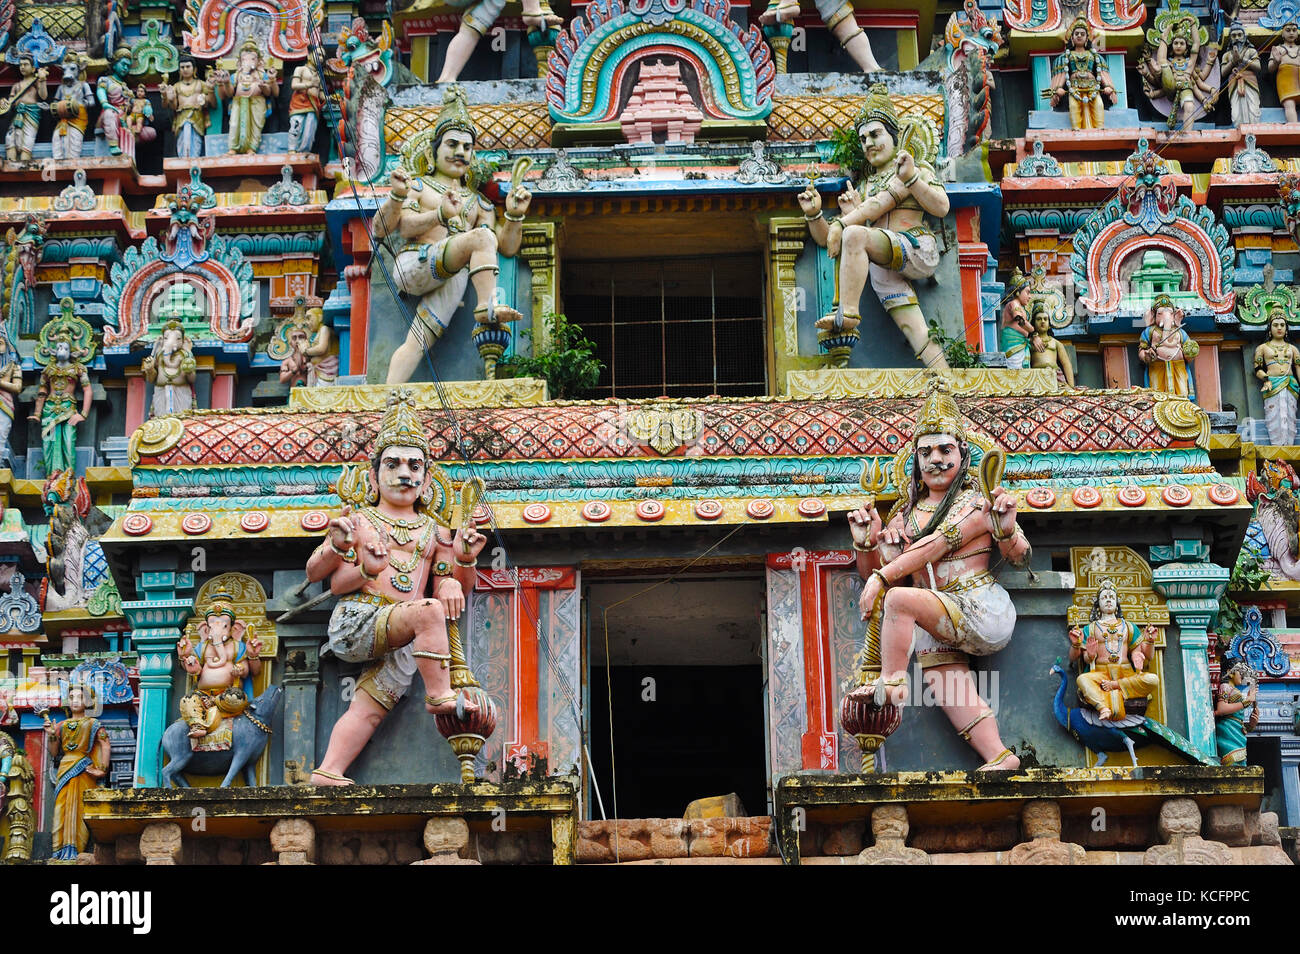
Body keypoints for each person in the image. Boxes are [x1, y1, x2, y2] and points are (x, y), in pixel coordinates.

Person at [842, 382, 1030, 770]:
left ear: (963, 452)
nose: (935, 459)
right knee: (944, 682)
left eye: (945, 449)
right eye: (925, 452)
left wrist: (1007, 528)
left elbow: (1015, 556)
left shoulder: (978, 503)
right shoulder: (904, 515)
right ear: (915, 459)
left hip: (978, 605)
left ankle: (893, 683)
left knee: (899, 600)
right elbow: (876, 581)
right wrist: (867, 547)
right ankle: (999, 756)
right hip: (936, 614)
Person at [306, 391, 488, 785]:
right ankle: (439, 694)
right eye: (393, 464)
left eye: (414, 465)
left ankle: (328, 771)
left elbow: (450, 586)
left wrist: (464, 562)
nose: (405, 473)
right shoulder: (360, 521)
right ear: (373, 477)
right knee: (428, 612)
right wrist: (344, 549)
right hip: (359, 621)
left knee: (370, 706)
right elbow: (323, 576)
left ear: (426, 479)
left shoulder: (435, 530)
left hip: (406, 636)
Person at [373, 86, 529, 384]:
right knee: (481, 238)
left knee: (417, 340)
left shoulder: (478, 202)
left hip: (452, 276)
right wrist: (438, 214)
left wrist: (514, 215)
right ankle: (486, 306)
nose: (460, 152)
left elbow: (505, 247)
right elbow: (400, 226)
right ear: (435, 150)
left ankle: (388, 397)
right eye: (452, 144)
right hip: (415, 264)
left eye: (467, 147)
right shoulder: (420, 186)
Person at [796, 84, 950, 369]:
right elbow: (830, 240)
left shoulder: (912, 169)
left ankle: (849, 312)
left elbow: (940, 206)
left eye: (876, 134)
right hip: (885, 262)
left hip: (915, 247)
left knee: (854, 232)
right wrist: (815, 215)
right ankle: (946, 381)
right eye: (863, 138)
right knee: (913, 329)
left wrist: (913, 179)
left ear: (894, 136)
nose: (868, 143)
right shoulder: (866, 186)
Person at [1067, 579, 1159, 721]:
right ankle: (1103, 706)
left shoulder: (1128, 627)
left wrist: (1149, 642)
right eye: (1104, 597)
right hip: (1101, 674)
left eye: (1112, 597)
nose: (1108, 600)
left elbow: (1147, 655)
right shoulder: (1090, 628)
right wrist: (1088, 654)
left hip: (1125, 674)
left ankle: (1115, 687)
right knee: (1082, 680)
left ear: (1117, 603)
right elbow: (1076, 658)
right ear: (1098, 604)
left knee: (1153, 679)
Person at [176, 594, 262, 741]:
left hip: (227, 695)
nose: (216, 631)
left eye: (223, 626)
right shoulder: (203, 647)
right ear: (206, 629)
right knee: (187, 700)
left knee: (236, 698)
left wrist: (243, 666)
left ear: (234, 629)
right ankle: (198, 725)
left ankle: (214, 704)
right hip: (203, 695)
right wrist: (187, 660)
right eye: (212, 626)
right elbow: (194, 668)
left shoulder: (237, 646)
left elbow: (251, 671)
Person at [43, 684, 110, 860]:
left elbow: (104, 744)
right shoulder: (62, 725)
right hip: (65, 768)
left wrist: (101, 770)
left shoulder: (93, 723)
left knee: (79, 809)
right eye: (71, 697)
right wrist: (51, 735)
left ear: (87, 701)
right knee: (61, 809)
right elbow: (55, 752)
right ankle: (58, 852)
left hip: (83, 769)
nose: (74, 701)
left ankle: (75, 852)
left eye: (79, 697)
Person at [1049, 18, 1117, 130]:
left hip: (1092, 87)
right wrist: (1058, 89)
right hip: (1074, 88)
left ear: (1087, 38)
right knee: (1074, 107)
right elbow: (1061, 74)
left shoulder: (1094, 56)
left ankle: (1099, 131)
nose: (1079, 36)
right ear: (1072, 38)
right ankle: (1076, 132)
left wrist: (1109, 87)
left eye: (1082, 34)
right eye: (1076, 34)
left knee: (1099, 105)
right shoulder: (1066, 56)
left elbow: (1102, 73)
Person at [215, 40, 279, 154]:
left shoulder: (261, 75)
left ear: (259, 61)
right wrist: (225, 82)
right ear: (240, 62)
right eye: (245, 59)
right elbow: (229, 94)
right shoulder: (236, 75)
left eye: (252, 59)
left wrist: (265, 85)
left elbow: (271, 93)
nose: (248, 62)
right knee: (234, 124)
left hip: (257, 103)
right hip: (238, 103)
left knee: (256, 125)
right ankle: (233, 148)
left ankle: (252, 148)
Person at [1138, 294, 1198, 397]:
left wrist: (1190, 354)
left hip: (1179, 366)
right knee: (1157, 394)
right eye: (1160, 313)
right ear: (1153, 316)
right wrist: (1147, 355)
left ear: (1175, 316)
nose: (1166, 316)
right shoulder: (1150, 332)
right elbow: (1141, 350)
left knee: (1182, 393)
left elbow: (1188, 348)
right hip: (1157, 366)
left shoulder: (1180, 332)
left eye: (1170, 313)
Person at [1254, 309, 1300, 445]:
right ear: (1270, 328)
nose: (1279, 328)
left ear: (1286, 328)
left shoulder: (1293, 349)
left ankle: (1289, 445)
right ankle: (1276, 446)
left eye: (1282, 325)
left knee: (1290, 416)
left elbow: (1298, 368)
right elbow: (1257, 369)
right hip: (1272, 385)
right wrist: (1266, 379)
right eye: (1275, 325)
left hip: (1291, 385)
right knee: (1273, 416)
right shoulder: (1262, 348)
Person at [160, 57, 215, 158]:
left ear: (194, 69)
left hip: (197, 117)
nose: (185, 69)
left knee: (196, 142)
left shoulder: (201, 84)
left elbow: (213, 104)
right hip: (181, 117)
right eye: (182, 67)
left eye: (188, 66)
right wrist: (166, 97)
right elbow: (171, 107)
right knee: (182, 142)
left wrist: (209, 92)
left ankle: (194, 161)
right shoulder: (176, 86)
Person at [2, 55, 48, 162]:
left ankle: (24, 162)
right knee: (9, 139)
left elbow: (44, 96)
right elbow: (11, 102)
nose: (22, 67)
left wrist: (42, 79)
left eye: (25, 64)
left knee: (27, 140)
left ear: (33, 68)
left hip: (31, 115)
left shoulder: (36, 82)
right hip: (17, 115)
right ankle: (11, 162)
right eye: (21, 65)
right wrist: (4, 103)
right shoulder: (16, 85)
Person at [1214, 662, 1256, 766]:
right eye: (1240, 672)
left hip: (1236, 730)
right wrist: (1246, 701)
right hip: (1227, 728)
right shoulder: (1225, 687)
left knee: (1240, 763)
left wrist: (1251, 724)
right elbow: (1221, 709)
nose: (1242, 675)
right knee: (1232, 762)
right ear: (1230, 672)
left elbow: (1237, 719)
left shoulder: (1234, 690)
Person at [1221, 21, 1262, 125]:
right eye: (1234, 35)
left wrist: (1243, 60)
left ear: (1244, 36)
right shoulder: (1226, 55)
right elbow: (1223, 72)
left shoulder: (1251, 51)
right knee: (1236, 112)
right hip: (1234, 82)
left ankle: (1253, 128)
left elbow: (1258, 67)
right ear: (1230, 38)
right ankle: (1239, 127)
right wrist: (1233, 62)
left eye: (1240, 35)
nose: (1237, 38)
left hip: (1250, 81)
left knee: (1253, 108)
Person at [999, 268, 1041, 369]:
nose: (1030, 296)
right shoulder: (1013, 304)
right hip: (1013, 347)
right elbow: (1019, 319)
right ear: (1017, 292)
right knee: (1015, 371)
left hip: (1021, 346)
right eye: (1027, 292)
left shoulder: (1019, 306)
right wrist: (1033, 332)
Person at [1028, 300, 1074, 387]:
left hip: (1055, 376)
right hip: (1037, 377)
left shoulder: (1056, 343)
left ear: (1049, 324)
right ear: (1033, 324)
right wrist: (1033, 337)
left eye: (1045, 319)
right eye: (1038, 319)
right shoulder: (1029, 342)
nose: (1042, 321)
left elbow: (1066, 364)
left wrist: (1071, 386)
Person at [1269, 20, 1300, 123]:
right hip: (1286, 76)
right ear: (1282, 33)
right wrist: (1276, 61)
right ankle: (1294, 126)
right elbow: (1270, 68)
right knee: (1289, 103)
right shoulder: (1278, 49)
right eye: (1288, 30)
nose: (1291, 33)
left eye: (1294, 30)